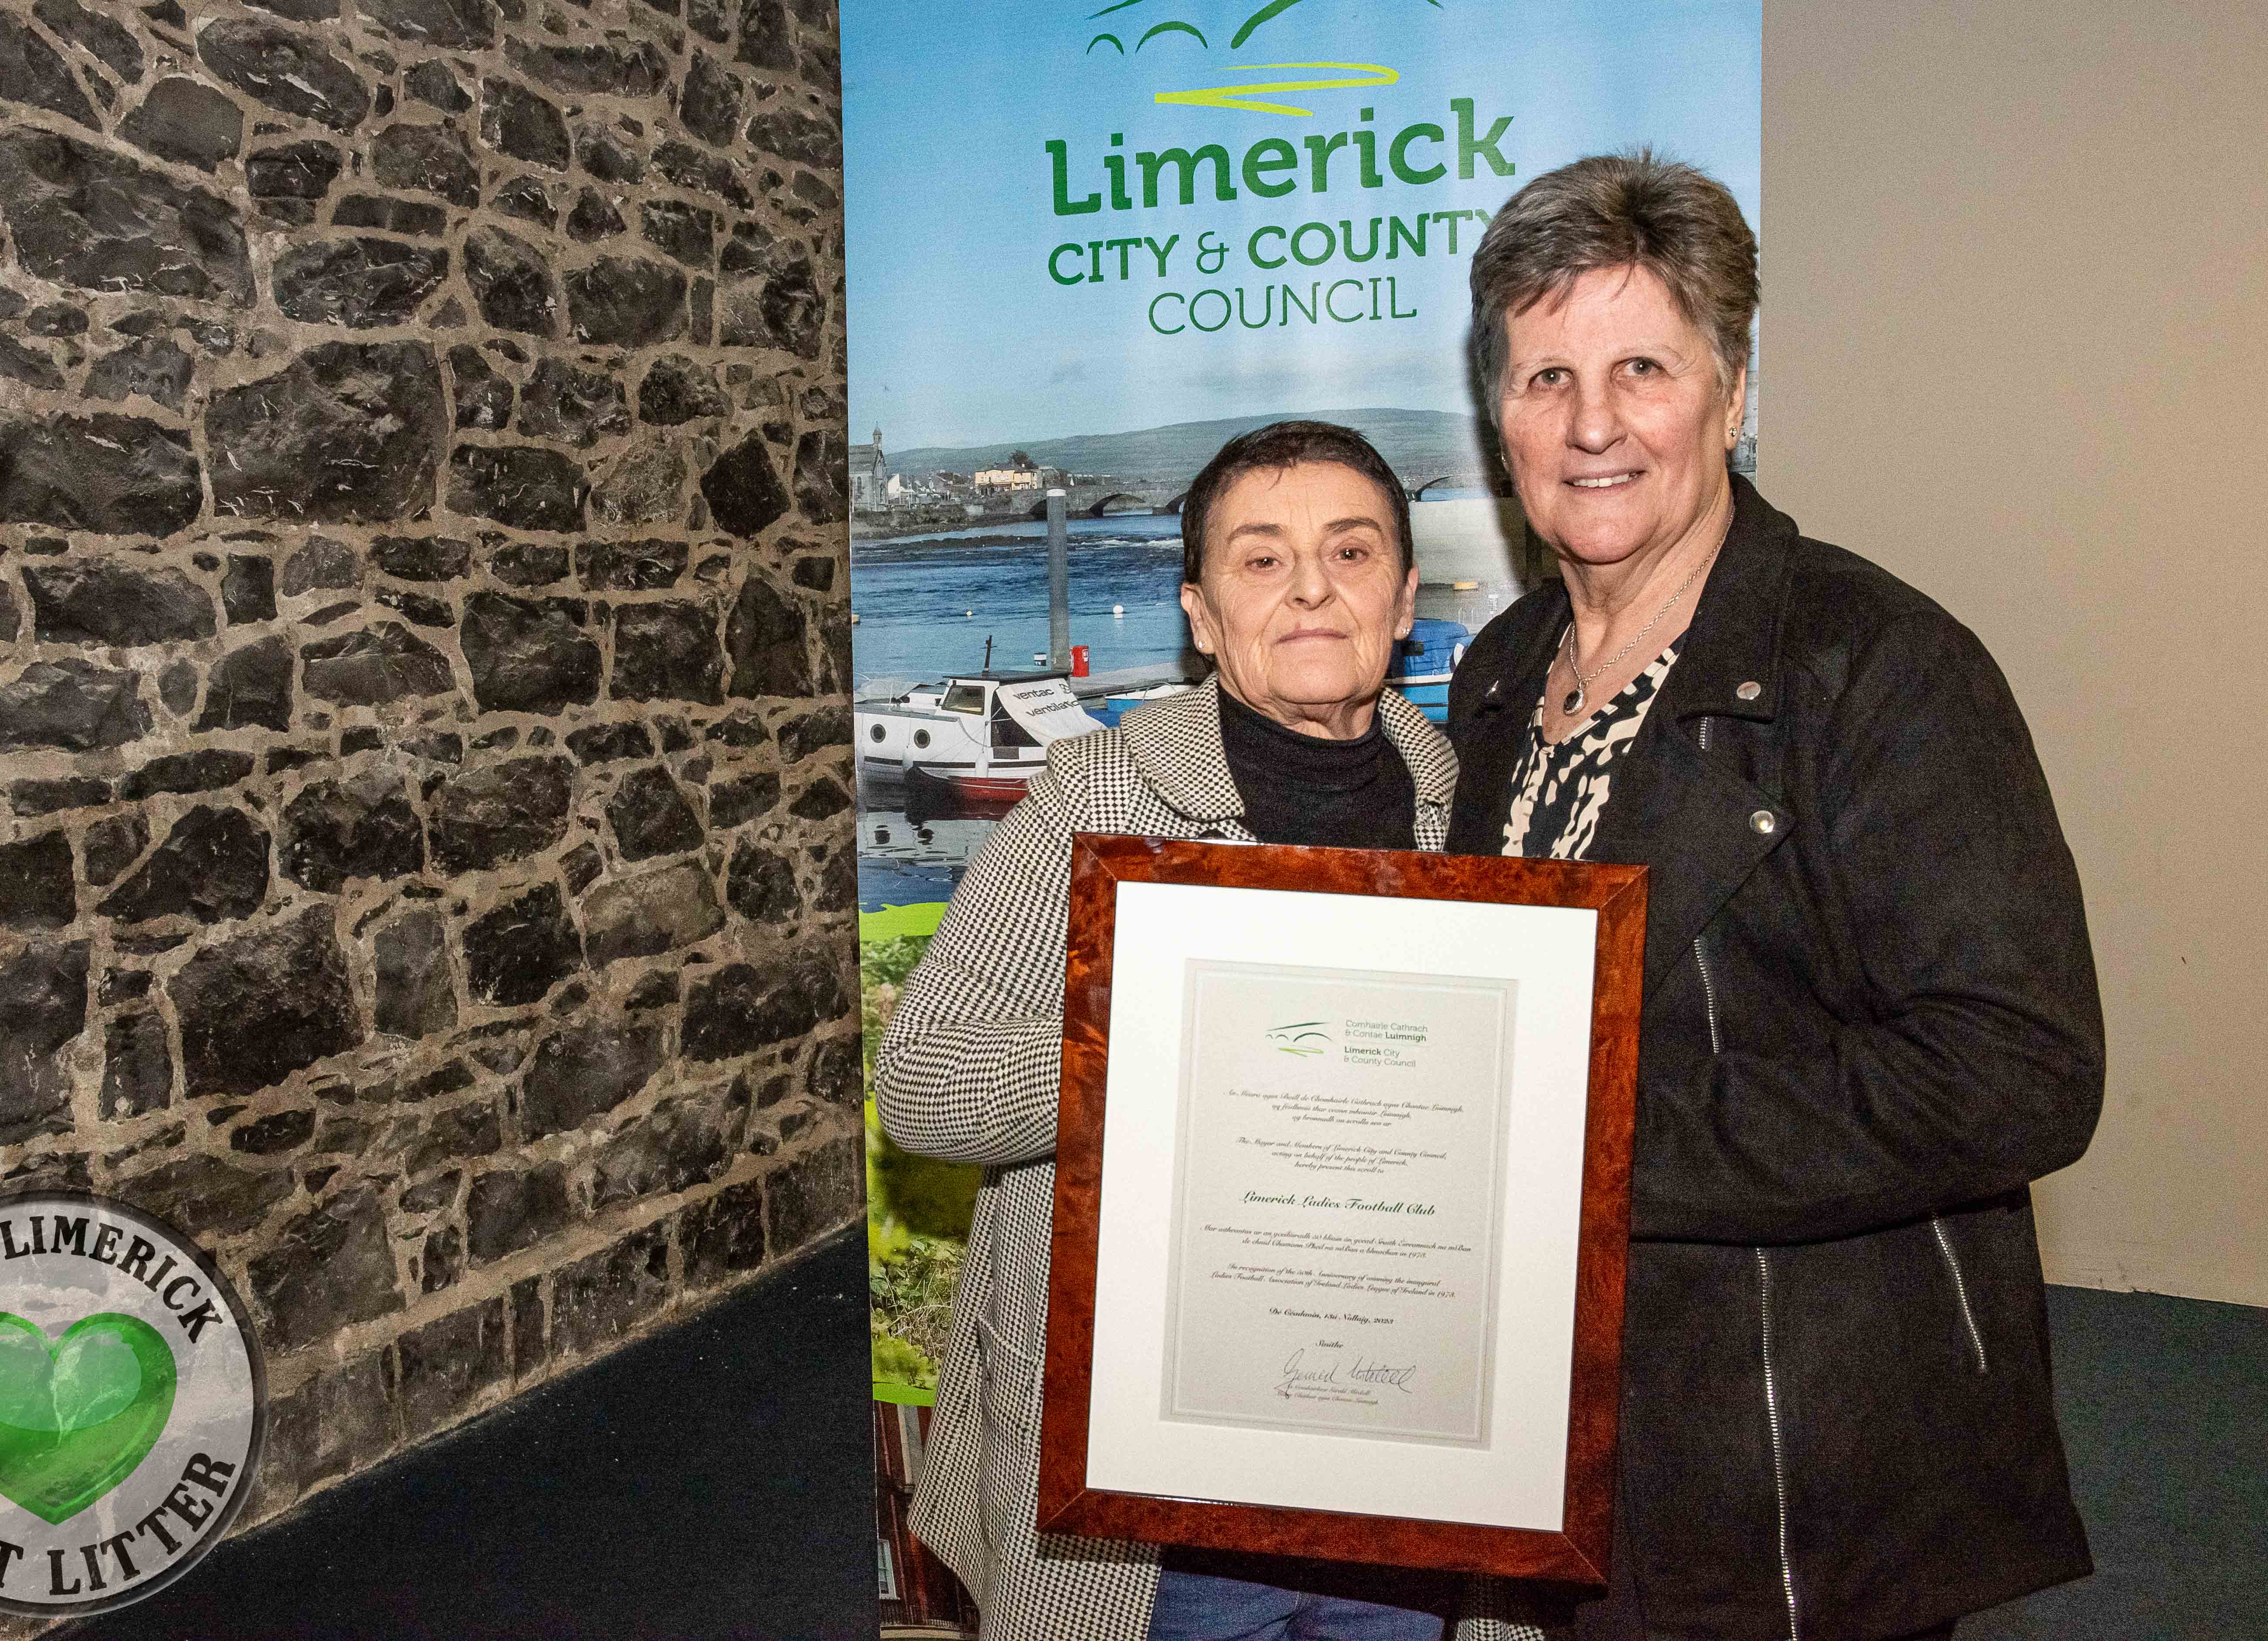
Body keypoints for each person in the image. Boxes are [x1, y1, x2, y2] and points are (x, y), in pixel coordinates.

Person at [1443, 152, 2104, 1641]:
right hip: (1554, 1434)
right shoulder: (1495, 676)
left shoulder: (1874, 666)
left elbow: (2020, 1071)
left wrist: (1591, 1145)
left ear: (1730, 392)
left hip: (1792, 1447)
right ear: (1500, 418)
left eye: (1640, 366)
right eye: (1545, 375)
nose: (1593, 421)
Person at [876, 422, 1462, 1641]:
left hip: (1411, 1483)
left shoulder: (1487, 811)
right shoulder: (1096, 795)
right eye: (1260, 559)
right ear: (1201, 612)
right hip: (1165, 1511)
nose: (1309, 585)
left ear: (1403, 595)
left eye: (1348, 550)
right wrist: (1181, 1031)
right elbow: (927, 1084)